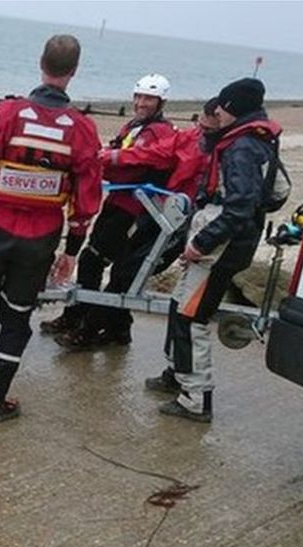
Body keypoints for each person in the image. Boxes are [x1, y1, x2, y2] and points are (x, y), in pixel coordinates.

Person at [0, 34, 102, 425]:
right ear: (74, 72)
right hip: (39, 241)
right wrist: (72, 252)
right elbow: (86, 203)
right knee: (16, 320)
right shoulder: (82, 130)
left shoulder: (5, 115)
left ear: (40, 64)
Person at [146, 78, 282, 423]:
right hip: (227, 242)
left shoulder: (241, 148)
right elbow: (280, 191)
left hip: (219, 248)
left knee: (192, 318)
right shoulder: (261, 142)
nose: (215, 113)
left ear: (232, 109)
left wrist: (201, 244)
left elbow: (238, 208)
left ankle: (195, 398)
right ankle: (178, 375)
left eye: (220, 107)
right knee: (181, 307)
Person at [56, 99, 223, 350]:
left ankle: (89, 330)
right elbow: (154, 153)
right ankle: (117, 330)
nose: (202, 133)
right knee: (124, 269)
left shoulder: (229, 154)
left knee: (127, 273)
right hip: (161, 214)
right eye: (200, 125)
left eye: (208, 130)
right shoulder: (190, 138)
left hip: (186, 225)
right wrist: (111, 157)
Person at [40, 74, 176, 345]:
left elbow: (134, 164)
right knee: (113, 268)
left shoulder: (159, 132)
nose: (141, 103)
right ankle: (109, 325)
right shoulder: (135, 126)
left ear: (160, 101)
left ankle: (86, 324)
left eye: (148, 98)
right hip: (119, 202)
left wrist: (105, 161)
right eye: (138, 97)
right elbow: (120, 154)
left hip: (135, 208)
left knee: (95, 261)